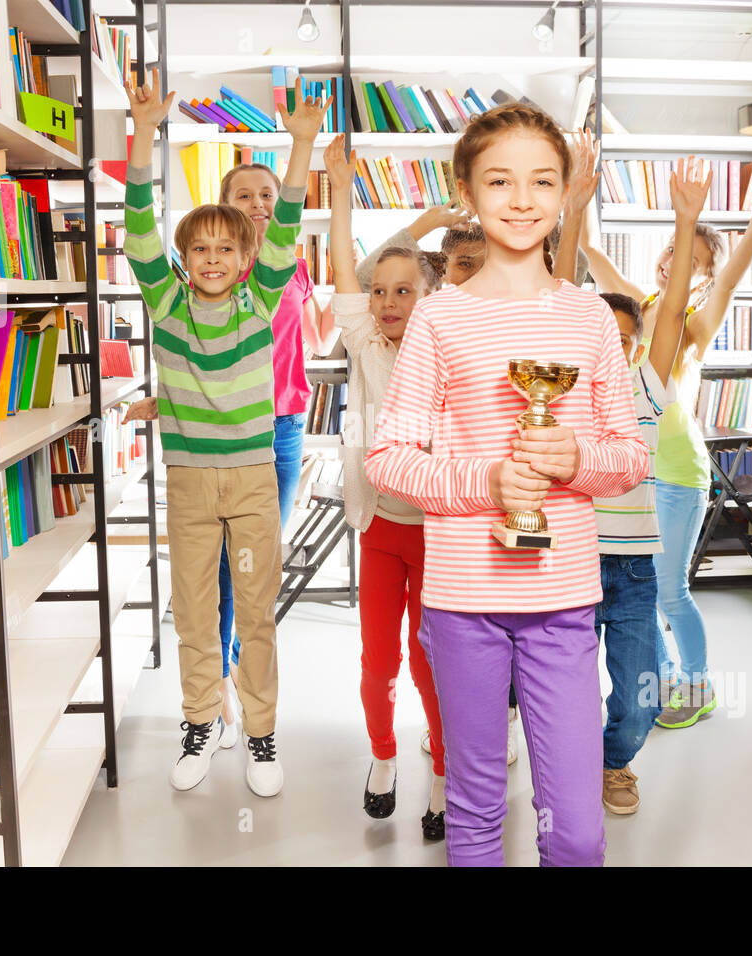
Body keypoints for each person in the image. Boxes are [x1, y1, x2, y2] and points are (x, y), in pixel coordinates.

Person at [366, 103, 649, 866]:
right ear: (466, 191)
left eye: (542, 180)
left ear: (565, 193)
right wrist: (488, 480)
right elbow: (387, 459)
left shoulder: (591, 319)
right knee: (476, 806)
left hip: (562, 601)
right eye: (500, 180)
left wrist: (574, 461)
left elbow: (630, 457)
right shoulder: (437, 319)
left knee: (577, 828)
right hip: (462, 601)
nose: (522, 199)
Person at [122, 68, 328, 796]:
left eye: (226, 250)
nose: (213, 260)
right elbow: (139, 222)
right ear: (184, 260)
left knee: (256, 612)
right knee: (194, 616)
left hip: (247, 478)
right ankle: (200, 722)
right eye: (199, 249)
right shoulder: (167, 305)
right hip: (187, 482)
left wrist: (299, 145)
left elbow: (289, 221)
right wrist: (144, 130)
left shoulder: (258, 301)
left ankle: (262, 734)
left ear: (247, 260)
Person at [569, 156, 752, 729]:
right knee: (637, 594)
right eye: (675, 252)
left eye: (694, 261)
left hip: (674, 472)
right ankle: (667, 678)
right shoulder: (635, 307)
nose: (680, 262)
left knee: (668, 591)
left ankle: (696, 687)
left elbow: (731, 275)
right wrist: (580, 191)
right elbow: (592, 257)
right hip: (624, 472)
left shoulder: (696, 317)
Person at [556, 140, 711, 813]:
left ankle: (614, 759)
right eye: (603, 339)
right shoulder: (560, 393)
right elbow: (557, 293)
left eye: (625, 340)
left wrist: (685, 224)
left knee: (642, 691)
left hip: (634, 570)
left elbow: (673, 312)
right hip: (569, 565)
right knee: (562, 687)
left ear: (636, 348)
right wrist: (573, 208)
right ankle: (574, 765)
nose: (613, 349)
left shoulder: (648, 392)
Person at [323, 135, 449, 841]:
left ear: (431, 298)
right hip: (380, 529)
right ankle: (381, 758)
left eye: (405, 290)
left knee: (433, 664)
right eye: (381, 291)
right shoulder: (366, 342)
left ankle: (441, 773)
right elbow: (344, 267)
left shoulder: (447, 353)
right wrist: (340, 190)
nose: (390, 300)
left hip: (438, 535)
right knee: (379, 664)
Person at [215, 162, 336, 743]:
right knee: (221, 562)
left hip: (285, 428)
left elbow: (317, 338)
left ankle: (239, 670)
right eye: (246, 194)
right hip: (233, 430)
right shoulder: (215, 264)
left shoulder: (296, 264)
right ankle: (213, 684)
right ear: (226, 203)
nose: (261, 203)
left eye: (269, 193)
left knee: (259, 564)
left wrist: (352, 281)